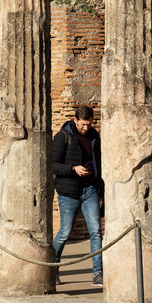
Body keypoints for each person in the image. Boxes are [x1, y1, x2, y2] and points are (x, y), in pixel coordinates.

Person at [51, 105, 104, 286]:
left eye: (89, 124)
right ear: (75, 120)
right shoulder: (62, 137)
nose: (86, 128)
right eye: (83, 124)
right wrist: (73, 169)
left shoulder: (94, 137)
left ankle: (98, 273)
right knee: (64, 233)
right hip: (69, 192)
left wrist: (100, 190)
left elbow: (99, 165)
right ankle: (52, 269)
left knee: (96, 232)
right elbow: (53, 165)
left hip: (90, 190)